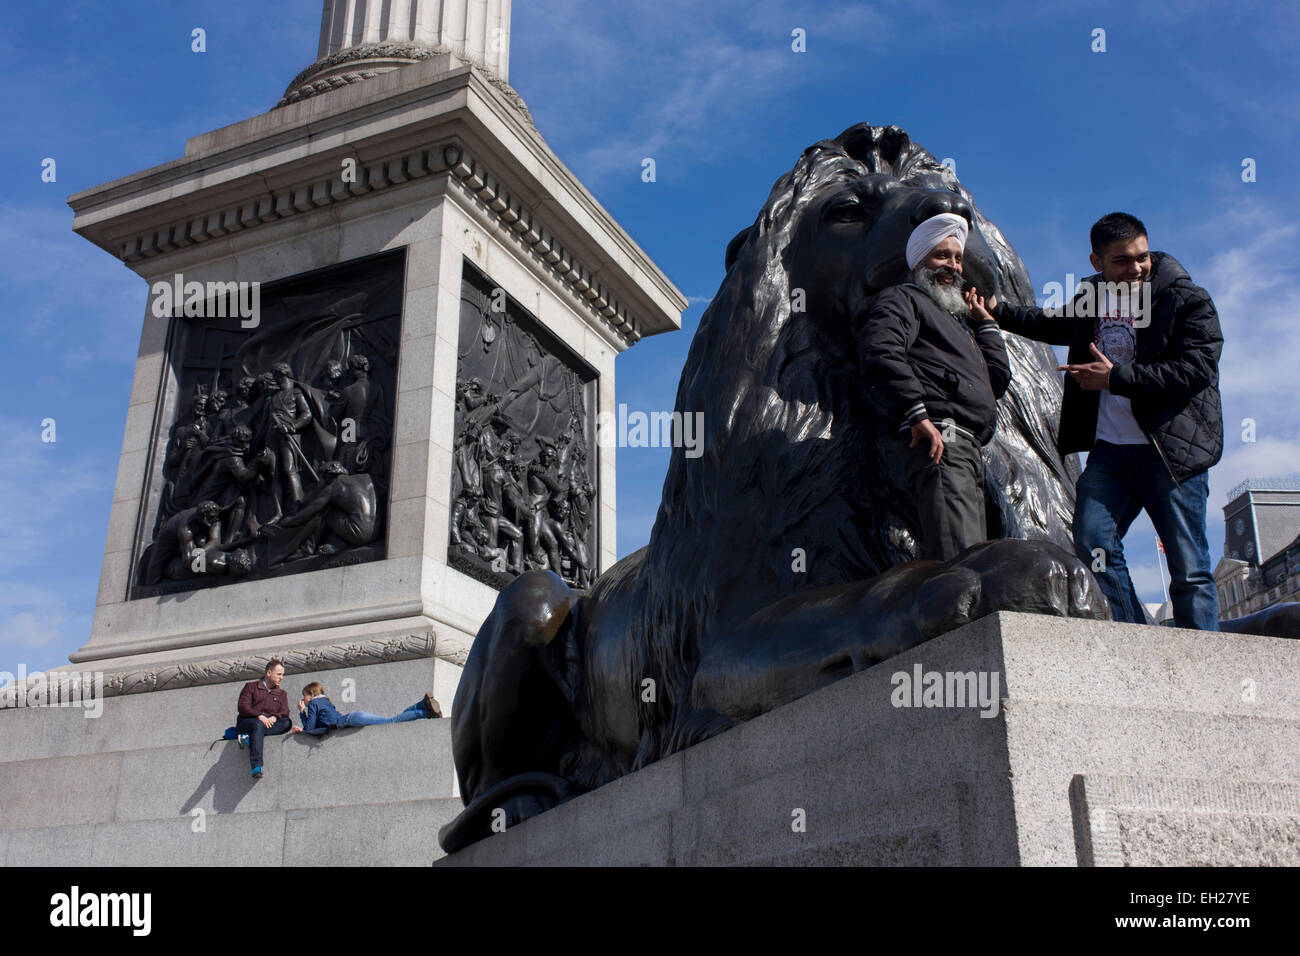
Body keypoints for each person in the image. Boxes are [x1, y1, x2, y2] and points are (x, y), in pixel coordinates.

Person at [972, 212, 1223, 630]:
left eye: (1142, 257)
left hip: (1171, 454)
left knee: (1189, 569)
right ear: (1097, 262)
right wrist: (997, 310)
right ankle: (1135, 643)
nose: (1137, 268)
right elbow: (1051, 323)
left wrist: (1116, 378)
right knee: (1092, 544)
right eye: (1123, 261)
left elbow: (1195, 370)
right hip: (1110, 454)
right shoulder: (1093, 297)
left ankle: (1207, 673)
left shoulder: (1185, 298)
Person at [858, 212, 1011, 561]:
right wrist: (915, 412)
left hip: (970, 449)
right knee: (960, 562)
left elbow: (997, 381)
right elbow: (880, 350)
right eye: (942, 255)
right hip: (941, 441)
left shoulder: (959, 325)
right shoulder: (903, 298)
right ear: (920, 261)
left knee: (972, 555)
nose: (953, 266)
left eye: (957, 258)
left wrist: (986, 326)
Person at [293, 682, 442, 735]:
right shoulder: (324, 701)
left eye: (304, 696)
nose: (303, 699)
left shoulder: (313, 704)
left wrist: (301, 712)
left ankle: (424, 712)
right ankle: (422, 705)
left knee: (392, 721)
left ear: (311, 695)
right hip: (354, 716)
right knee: (392, 720)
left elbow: (310, 728)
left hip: (351, 719)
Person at [235, 659, 292, 779]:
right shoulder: (251, 687)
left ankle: (250, 737)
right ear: (269, 673)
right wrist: (259, 716)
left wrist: (275, 717)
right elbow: (243, 707)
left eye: (282, 675)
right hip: (249, 722)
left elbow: (285, 711)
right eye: (279, 674)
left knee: (287, 723)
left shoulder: (281, 693)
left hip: (268, 723)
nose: (281, 678)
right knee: (257, 725)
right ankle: (257, 766)